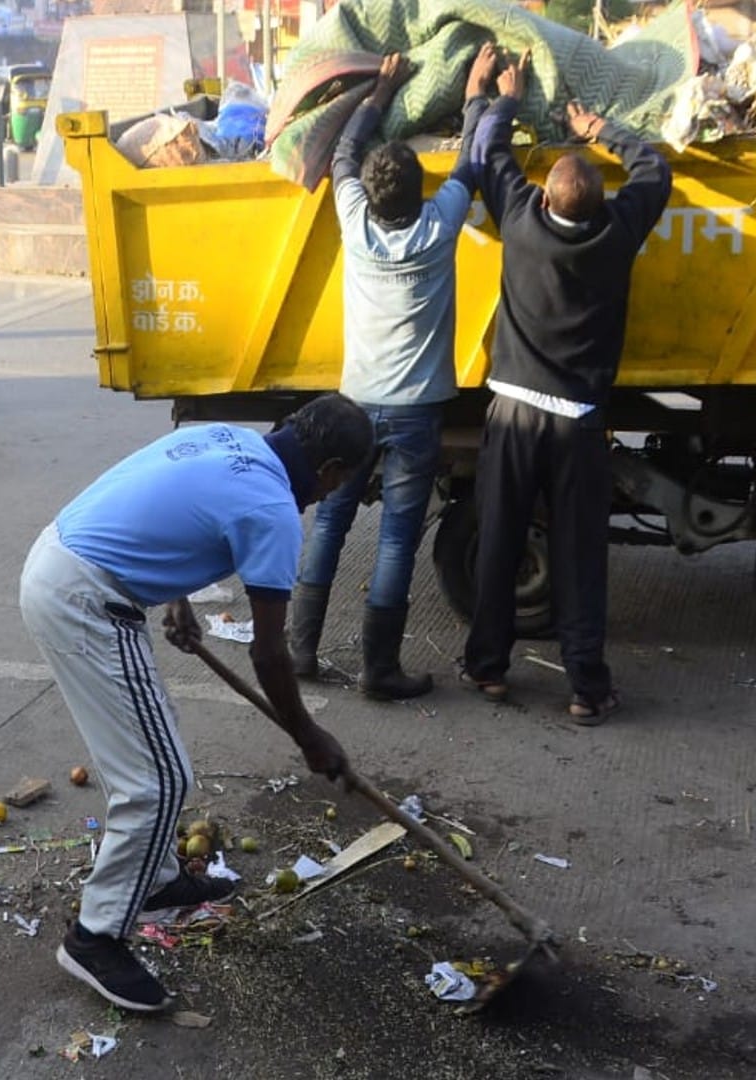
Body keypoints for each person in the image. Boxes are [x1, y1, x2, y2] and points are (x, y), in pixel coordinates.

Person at [20, 394, 372, 1012]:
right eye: (340, 483)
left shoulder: (232, 442)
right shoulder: (274, 510)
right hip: (86, 599)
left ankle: (152, 880)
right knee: (157, 781)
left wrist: (176, 595)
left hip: (64, 563)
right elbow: (268, 655)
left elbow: (168, 510)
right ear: (334, 470)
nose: (331, 495)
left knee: (155, 747)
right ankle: (94, 938)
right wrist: (311, 737)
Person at [457, 51, 673, 724]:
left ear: (546, 196)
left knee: (498, 540)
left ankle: (487, 668)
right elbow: (655, 168)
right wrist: (599, 128)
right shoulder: (617, 234)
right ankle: (586, 687)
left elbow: (487, 152)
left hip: (515, 413)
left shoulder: (520, 221)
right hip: (578, 424)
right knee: (582, 556)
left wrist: (505, 97)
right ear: (603, 201)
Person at [291, 48, 500, 702]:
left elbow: (345, 156)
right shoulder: (438, 227)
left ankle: (300, 650)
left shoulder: (355, 222)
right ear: (419, 194)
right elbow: (471, 160)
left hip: (353, 407)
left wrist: (379, 93)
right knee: (396, 541)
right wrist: (474, 93)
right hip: (415, 415)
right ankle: (380, 670)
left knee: (331, 523)